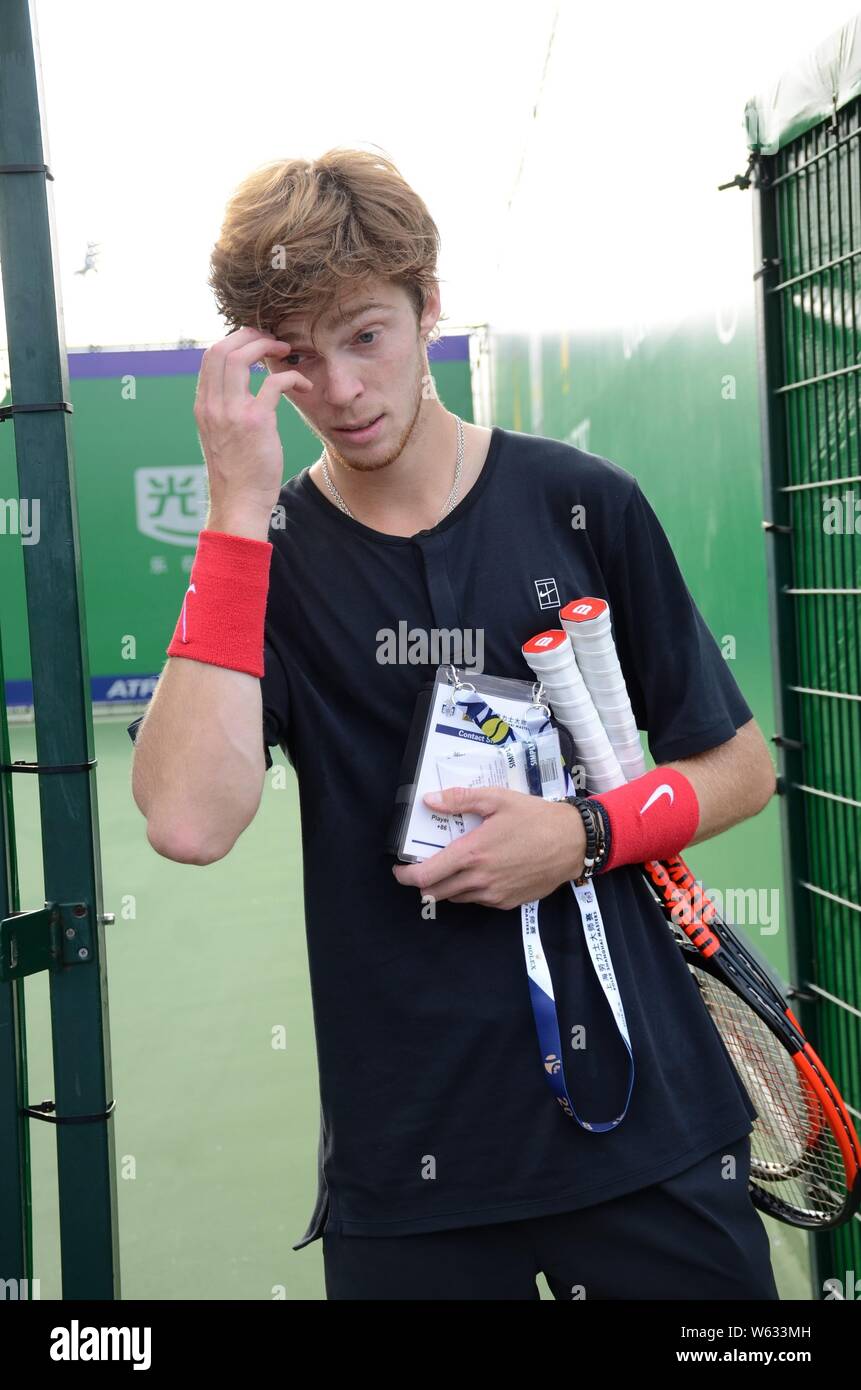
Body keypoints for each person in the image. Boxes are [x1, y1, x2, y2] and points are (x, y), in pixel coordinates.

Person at [129, 148, 780, 1301]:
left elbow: (737, 767)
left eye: (367, 335)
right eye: (297, 355)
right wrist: (234, 512)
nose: (340, 390)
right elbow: (186, 818)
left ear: (430, 303)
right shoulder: (262, 551)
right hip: (411, 1172)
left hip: (652, 1136)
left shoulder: (581, 500)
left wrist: (582, 833)